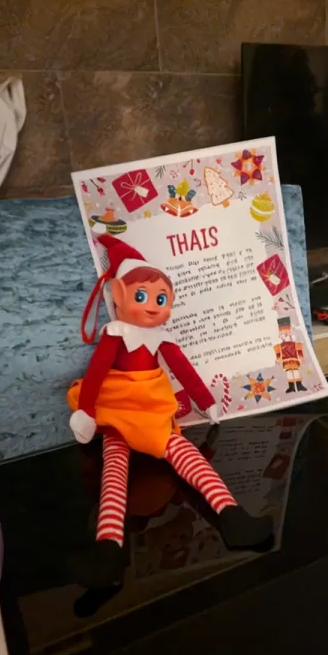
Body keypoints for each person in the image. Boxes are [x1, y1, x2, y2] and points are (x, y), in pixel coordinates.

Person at [68, 234, 272, 586]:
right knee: (114, 473)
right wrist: (87, 411)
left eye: (161, 299)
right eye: (142, 296)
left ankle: (233, 515)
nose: (152, 306)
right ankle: (108, 550)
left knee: (185, 451)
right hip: (118, 411)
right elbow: (97, 373)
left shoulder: (162, 338)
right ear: (119, 295)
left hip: (152, 412)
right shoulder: (115, 333)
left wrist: (207, 403)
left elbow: (185, 372)